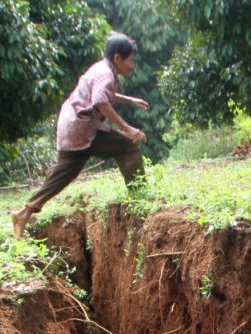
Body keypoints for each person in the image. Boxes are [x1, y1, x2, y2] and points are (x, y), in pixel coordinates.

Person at [10, 33, 149, 239]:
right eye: (130, 60)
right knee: (129, 145)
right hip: (84, 128)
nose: (132, 65)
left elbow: (102, 94)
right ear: (118, 58)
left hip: (70, 126)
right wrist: (127, 128)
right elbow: (101, 101)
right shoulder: (106, 74)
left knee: (64, 173)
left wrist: (128, 100)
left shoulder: (100, 69)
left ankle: (24, 213)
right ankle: (140, 198)